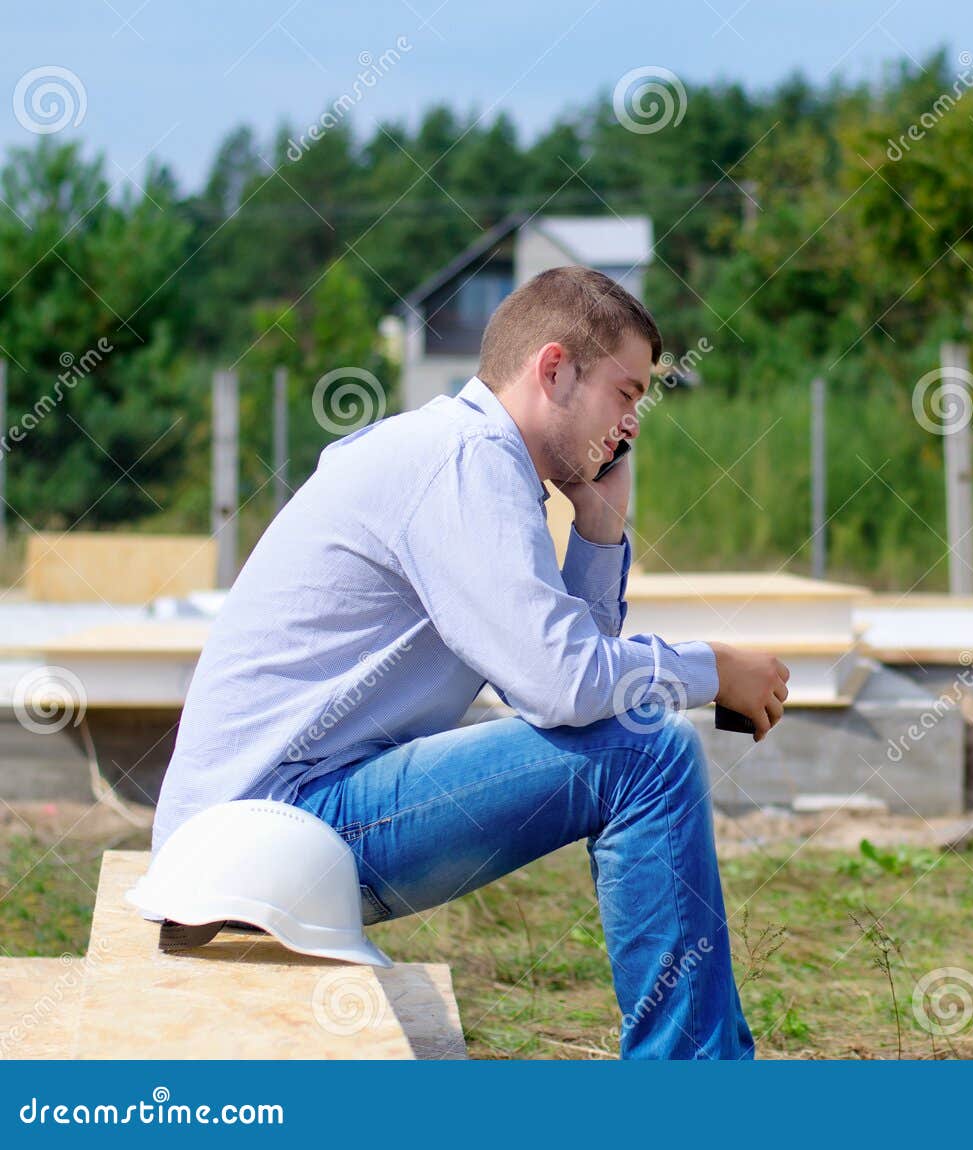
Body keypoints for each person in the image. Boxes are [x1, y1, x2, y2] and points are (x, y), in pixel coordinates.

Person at [151, 266, 790, 1059]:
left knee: (635, 740)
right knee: (650, 752)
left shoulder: (468, 457)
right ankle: (696, 1095)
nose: (633, 424)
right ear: (554, 371)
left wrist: (597, 527)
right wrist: (714, 668)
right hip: (267, 829)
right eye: (627, 393)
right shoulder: (465, 461)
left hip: (270, 822)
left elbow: (568, 685)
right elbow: (566, 687)